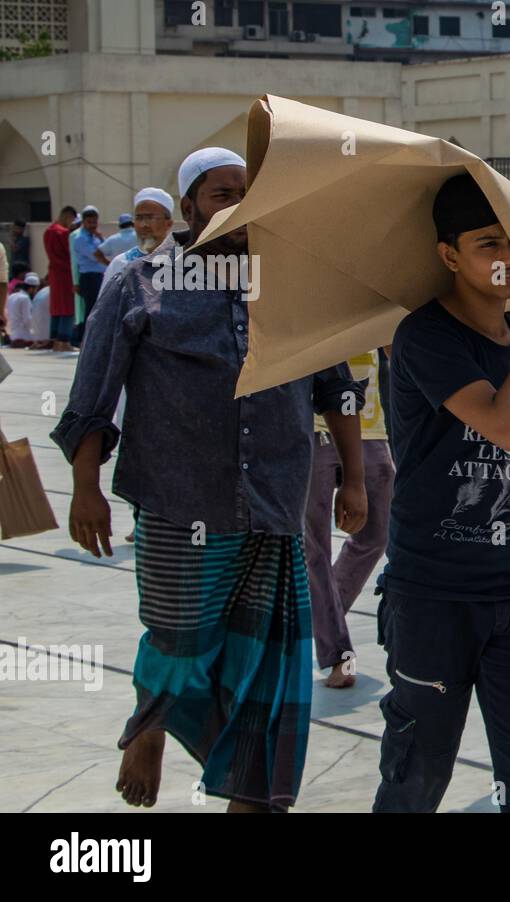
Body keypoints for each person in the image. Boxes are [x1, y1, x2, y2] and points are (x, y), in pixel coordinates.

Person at [51, 147, 367, 813]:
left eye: (247, 192)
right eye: (222, 194)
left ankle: (250, 795)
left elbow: (337, 388)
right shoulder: (137, 282)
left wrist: (355, 480)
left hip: (274, 502)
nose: (238, 204)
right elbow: (93, 394)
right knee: (179, 641)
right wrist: (85, 487)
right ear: (188, 207)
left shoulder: (292, 283)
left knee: (265, 663)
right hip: (177, 498)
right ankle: (151, 724)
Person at [373, 174, 510, 812]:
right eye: (487, 244)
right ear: (449, 256)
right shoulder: (426, 336)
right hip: (435, 591)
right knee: (415, 776)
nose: (507, 259)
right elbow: (507, 427)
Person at [305, 348, 395, 689]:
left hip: (370, 424)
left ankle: (324, 619)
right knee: (314, 548)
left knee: (375, 536)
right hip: (314, 420)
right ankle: (338, 652)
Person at [99, 189, 175, 295]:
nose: (143, 224)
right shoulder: (121, 263)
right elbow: (105, 303)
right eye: (139, 218)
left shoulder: (182, 262)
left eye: (150, 218)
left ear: (168, 224)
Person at [71, 205, 108, 345]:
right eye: (89, 222)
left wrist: (101, 237)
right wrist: (111, 264)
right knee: (91, 308)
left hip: (98, 276)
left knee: (98, 308)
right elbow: (96, 256)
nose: (92, 225)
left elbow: (107, 250)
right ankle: (85, 339)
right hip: (89, 277)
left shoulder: (95, 237)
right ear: (84, 222)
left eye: (94, 222)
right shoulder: (81, 238)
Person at [43, 205, 77, 351]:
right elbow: (70, 253)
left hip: (54, 272)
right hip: (66, 272)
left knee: (56, 306)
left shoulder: (48, 231)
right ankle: (64, 341)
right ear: (68, 216)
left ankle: (54, 340)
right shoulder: (63, 233)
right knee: (67, 306)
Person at [5, 272, 40, 348]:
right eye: (36, 289)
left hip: (11, 335)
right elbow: (27, 319)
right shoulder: (25, 298)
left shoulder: (12, 296)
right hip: (22, 336)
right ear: (31, 288)